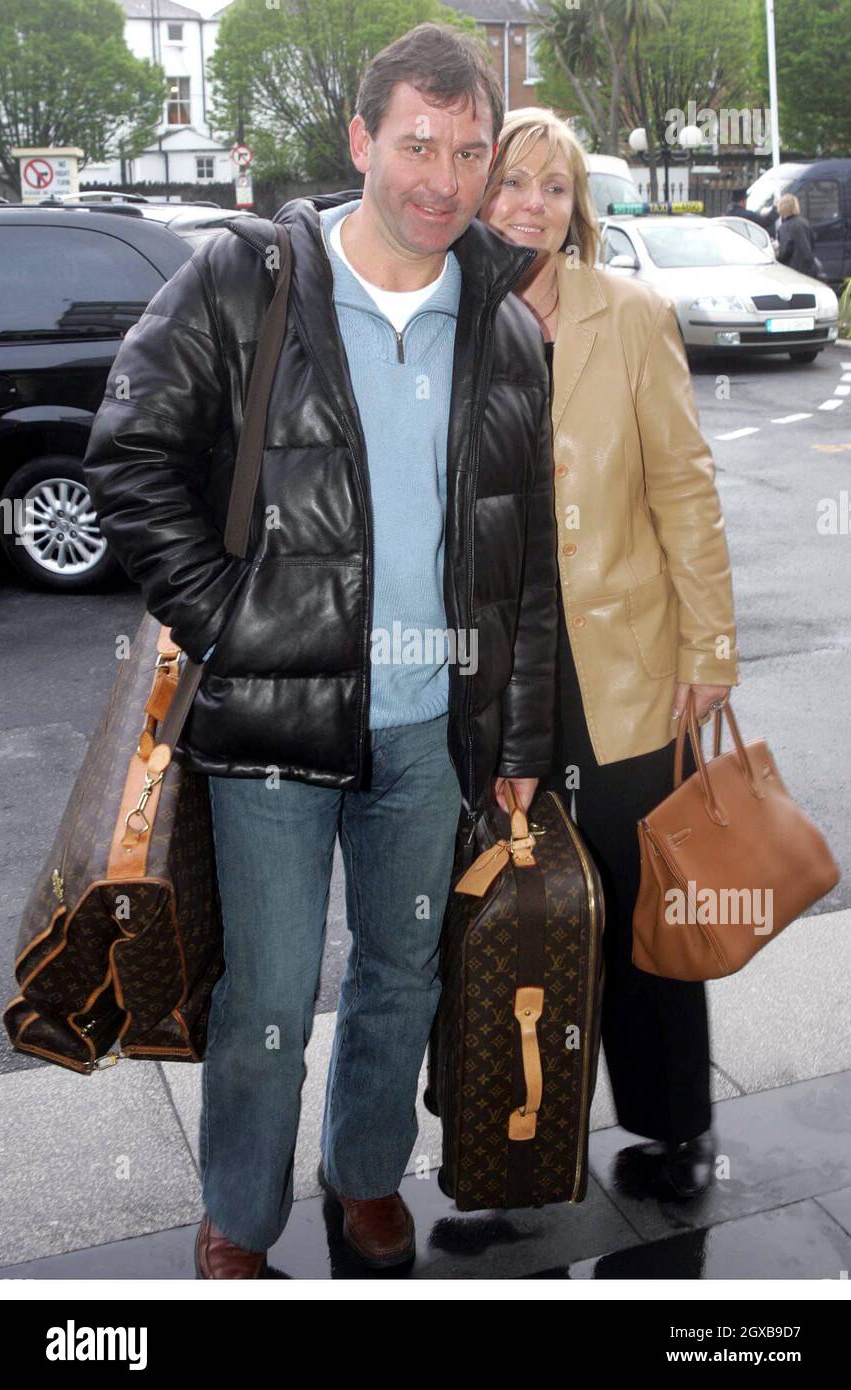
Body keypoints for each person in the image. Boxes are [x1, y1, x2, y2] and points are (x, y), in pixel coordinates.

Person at [82, 26, 558, 1276]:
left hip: (428, 733)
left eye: (468, 150)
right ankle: (238, 1218)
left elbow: (531, 560)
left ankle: (362, 1180)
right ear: (361, 141)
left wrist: (518, 740)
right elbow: (129, 456)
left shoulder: (506, 328)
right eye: (416, 144)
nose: (443, 180)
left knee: (403, 973)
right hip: (274, 734)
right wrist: (232, 621)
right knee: (268, 1007)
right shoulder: (249, 281)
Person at [480, 108, 741, 1203]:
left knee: (643, 894)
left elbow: (684, 482)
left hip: (626, 662)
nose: (531, 203)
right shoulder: (449, 319)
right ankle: (515, 1118)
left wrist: (710, 643)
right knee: (514, 904)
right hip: (495, 671)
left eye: (553, 184)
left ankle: (673, 1115)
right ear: (480, 194)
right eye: (512, 182)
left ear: (576, 204)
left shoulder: (630, 315)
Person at [775, 192, 819, 278]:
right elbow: (812, 242)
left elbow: (785, 252)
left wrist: (776, 257)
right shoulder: (805, 222)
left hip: (793, 270)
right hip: (809, 268)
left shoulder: (784, 227)